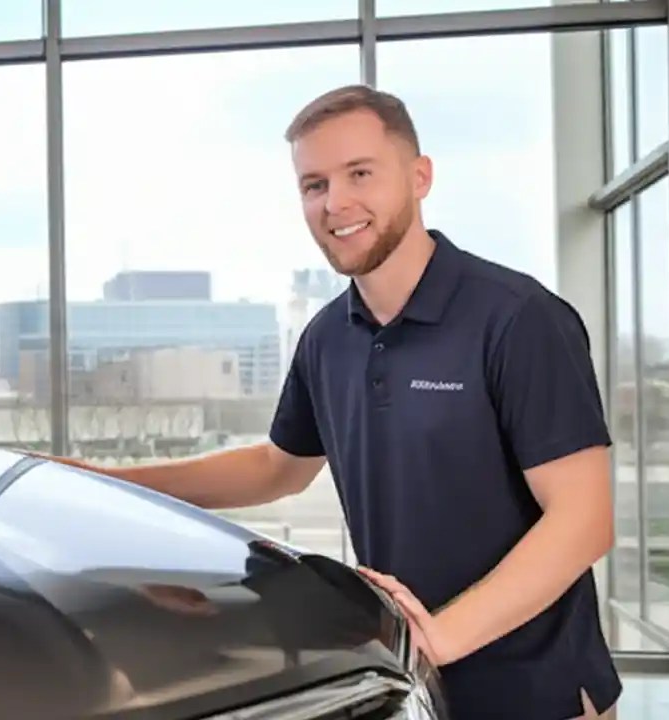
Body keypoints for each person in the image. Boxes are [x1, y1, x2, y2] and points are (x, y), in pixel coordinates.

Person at [38, 84, 619, 719]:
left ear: (419, 176)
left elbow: (583, 520)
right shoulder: (326, 338)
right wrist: (110, 483)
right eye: (314, 185)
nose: (335, 202)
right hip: (414, 694)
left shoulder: (519, 319)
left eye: (360, 174)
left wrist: (439, 638)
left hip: (540, 696)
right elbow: (277, 468)